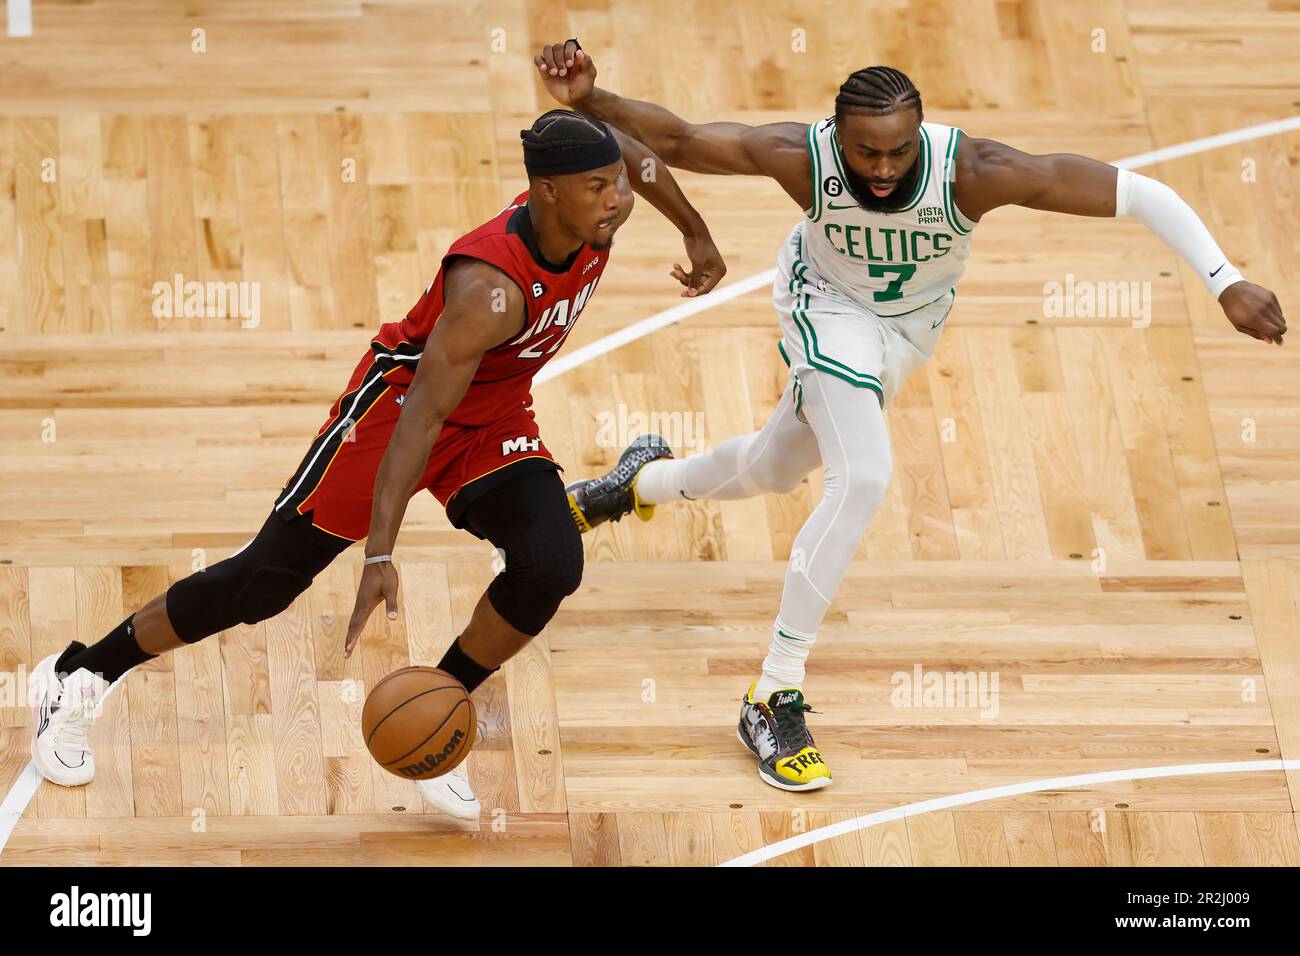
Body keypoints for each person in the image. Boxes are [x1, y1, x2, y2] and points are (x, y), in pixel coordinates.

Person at [543, 39, 1288, 793]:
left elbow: (1139, 193)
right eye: (865, 152)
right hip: (825, 308)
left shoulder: (979, 172)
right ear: (837, 139)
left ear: (922, 137)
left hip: (903, 332)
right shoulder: (801, 157)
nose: (881, 169)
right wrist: (590, 100)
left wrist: (1224, 279)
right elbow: (677, 140)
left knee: (774, 468)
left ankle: (635, 485)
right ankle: (773, 690)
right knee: (863, 479)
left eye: (898, 153)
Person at [31, 109, 724, 820]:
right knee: (265, 583)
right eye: (597, 186)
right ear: (548, 192)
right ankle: (80, 674)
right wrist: (379, 554)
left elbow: (639, 157)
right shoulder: (491, 291)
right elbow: (419, 420)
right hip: (394, 415)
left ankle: (438, 715)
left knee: (551, 565)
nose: (618, 199)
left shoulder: (591, 214)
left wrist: (694, 228)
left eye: (615, 184)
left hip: (490, 420)